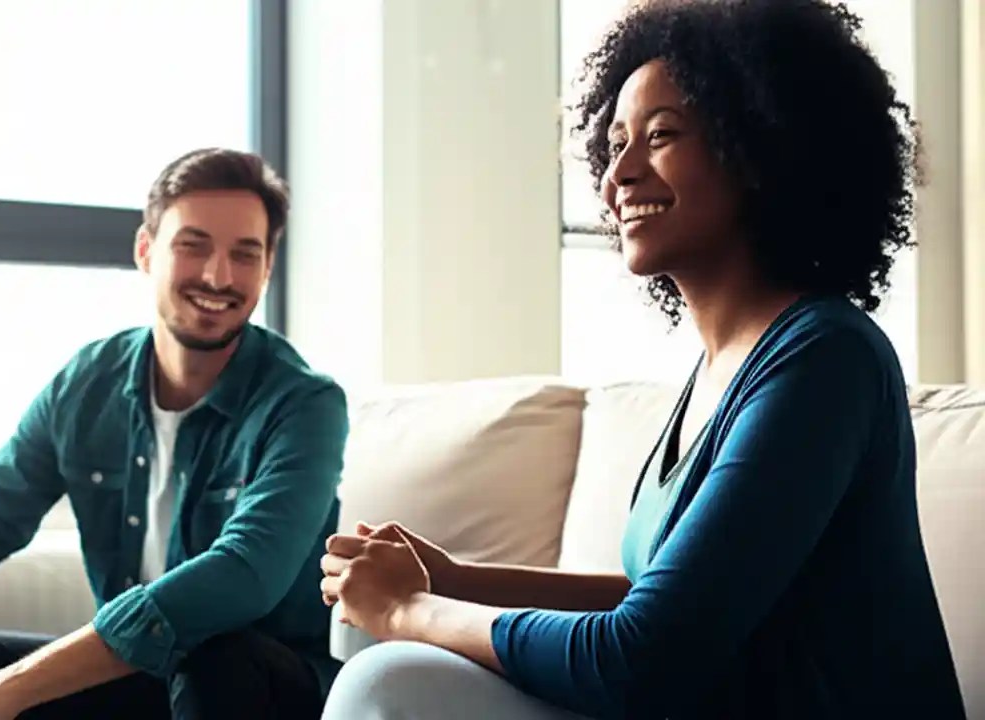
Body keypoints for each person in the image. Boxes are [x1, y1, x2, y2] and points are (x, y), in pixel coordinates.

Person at [319, 1, 967, 718]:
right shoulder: (719, 370)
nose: (618, 174)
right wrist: (455, 580)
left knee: (389, 682)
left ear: (758, 148)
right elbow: (668, 602)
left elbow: (642, 657)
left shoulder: (824, 359)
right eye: (615, 142)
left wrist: (410, 609)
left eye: (660, 136)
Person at [0, 148, 349, 719]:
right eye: (192, 245)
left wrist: (7, 692)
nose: (218, 276)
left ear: (267, 268)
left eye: (245, 255)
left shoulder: (305, 405)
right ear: (146, 251)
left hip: (259, 688)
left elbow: (243, 577)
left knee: (216, 656)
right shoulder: (86, 385)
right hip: (141, 674)